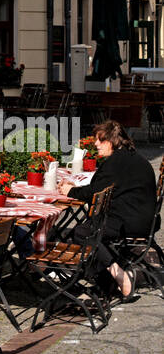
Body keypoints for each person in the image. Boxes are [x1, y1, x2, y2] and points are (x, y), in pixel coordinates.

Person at [57, 120, 157, 301]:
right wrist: (76, 188)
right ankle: (106, 283)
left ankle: (118, 277)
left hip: (131, 221)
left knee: (83, 233)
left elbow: (94, 192)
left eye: (99, 140)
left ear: (110, 142)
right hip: (142, 217)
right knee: (88, 229)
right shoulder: (128, 157)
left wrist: (70, 191)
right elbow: (99, 186)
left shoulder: (116, 162)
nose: (95, 144)